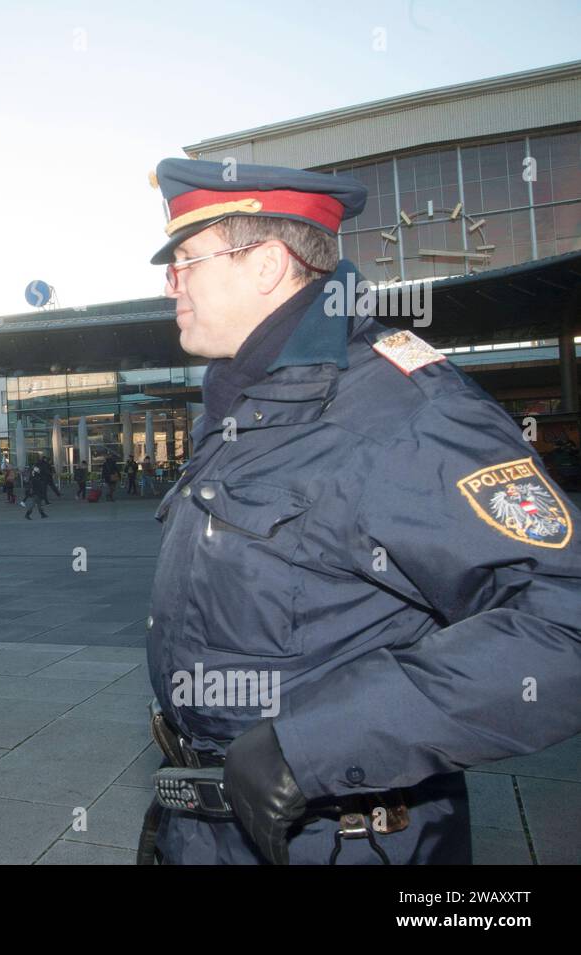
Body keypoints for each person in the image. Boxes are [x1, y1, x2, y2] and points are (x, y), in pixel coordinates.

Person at [136, 157, 581, 866]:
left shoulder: (405, 411)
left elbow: (563, 619)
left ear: (266, 266)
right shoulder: (241, 402)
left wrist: (313, 745)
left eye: (187, 259)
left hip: (338, 838)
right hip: (213, 826)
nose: (170, 282)